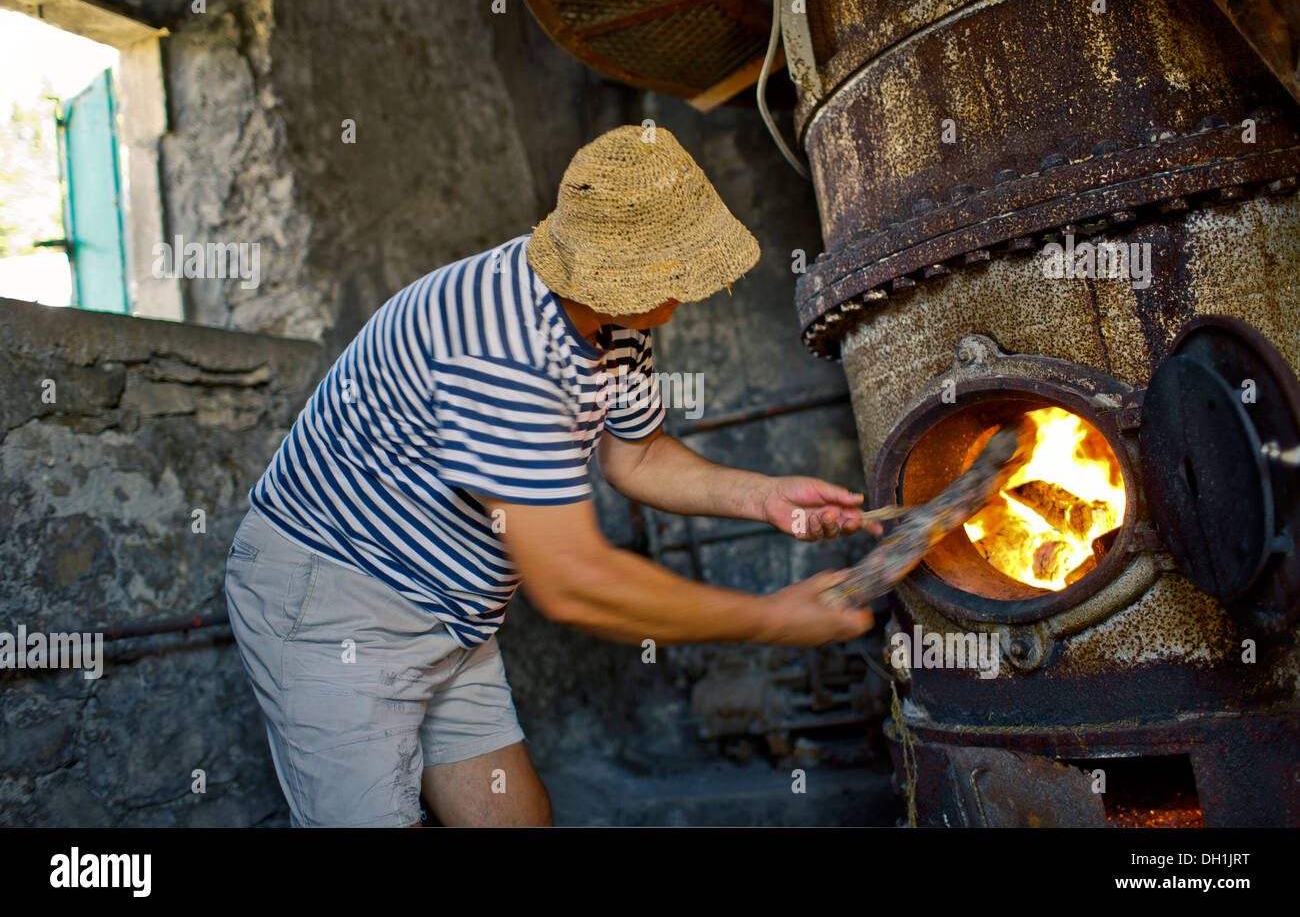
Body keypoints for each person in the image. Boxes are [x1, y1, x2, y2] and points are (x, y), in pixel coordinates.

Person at [223, 125, 880, 828]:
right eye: (679, 273)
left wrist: (766, 497)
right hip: (337, 603)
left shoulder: (614, 322)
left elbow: (637, 455)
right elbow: (573, 585)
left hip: (451, 614)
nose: (693, 291)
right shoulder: (499, 350)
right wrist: (772, 619)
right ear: (623, 272)